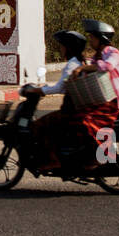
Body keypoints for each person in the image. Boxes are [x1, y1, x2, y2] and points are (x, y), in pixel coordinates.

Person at [69, 18, 119, 166]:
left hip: (114, 101)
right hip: (102, 99)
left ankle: (103, 156)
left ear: (101, 39)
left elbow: (108, 66)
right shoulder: (97, 56)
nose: (91, 40)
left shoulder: (113, 53)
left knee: (89, 122)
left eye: (93, 37)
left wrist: (83, 68)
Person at [29, 29, 88, 173]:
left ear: (68, 47)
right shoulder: (82, 61)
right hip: (79, 108)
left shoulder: (72, 65)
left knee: (39, 125)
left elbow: (60, 88)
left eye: (62, 46)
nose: (60, 49)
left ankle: (53, 160)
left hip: (71, 111)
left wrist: (38, 90)